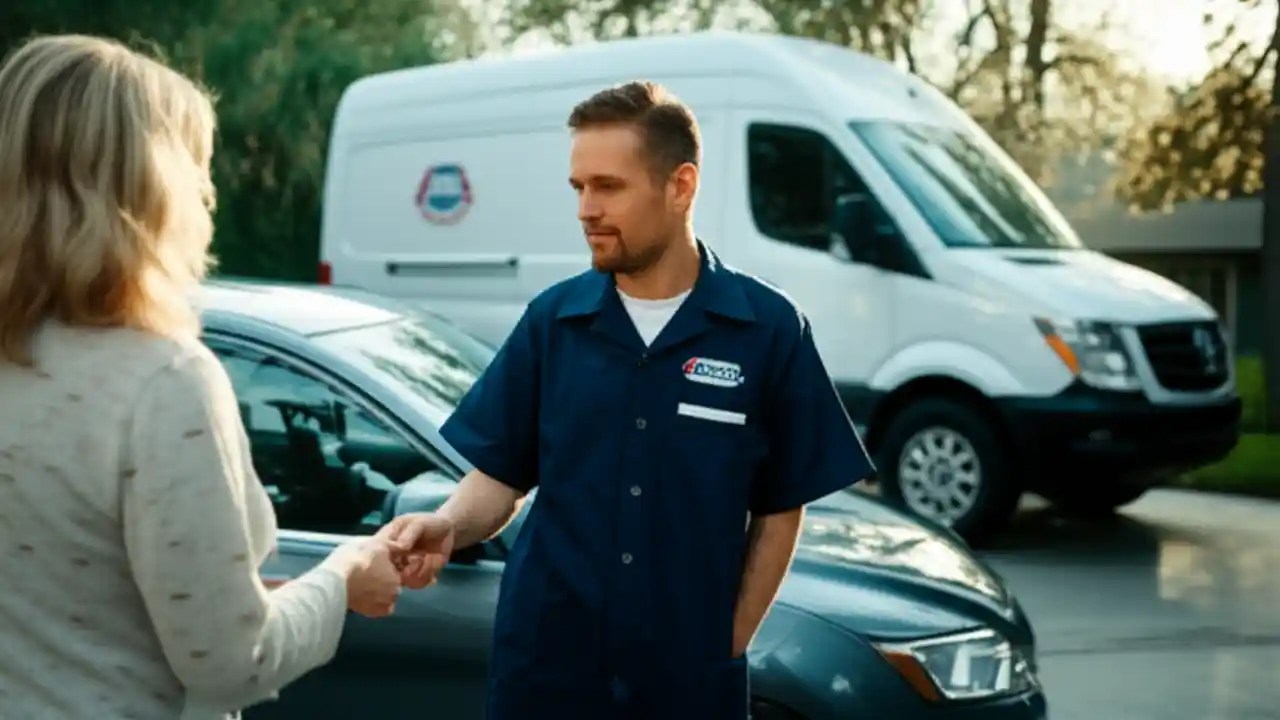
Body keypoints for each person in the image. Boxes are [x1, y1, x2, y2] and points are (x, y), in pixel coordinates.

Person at [380, 80, 875, 718]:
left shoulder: (768, 329)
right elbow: (499, 479)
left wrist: (728, 642)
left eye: (608, 186)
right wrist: (447, 524)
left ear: (681, 186)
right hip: (548, 673)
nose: (587, 208)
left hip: (686, 686)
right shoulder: (553, 322)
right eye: (579, 187)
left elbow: (781, 512)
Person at [0, 35, 409, 719]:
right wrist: (342, 579)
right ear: (149, 188)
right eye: (194, 167)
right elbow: (231, 662)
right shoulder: (161, 381)